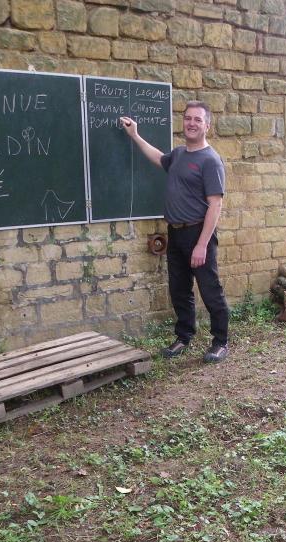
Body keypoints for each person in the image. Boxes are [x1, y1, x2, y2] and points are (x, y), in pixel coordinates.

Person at [120, 101, 229, 363]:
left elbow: (215, 205)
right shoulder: (179, 154)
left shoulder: (210, 161)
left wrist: (201, 245)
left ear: (207, 126)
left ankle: (220, 342)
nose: (191, 123)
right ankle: (184, 337)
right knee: (179, 289)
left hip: (198, 233)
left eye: (197, 120)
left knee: (210, 289)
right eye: (188, 118)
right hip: (176, 233)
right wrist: (135, 135)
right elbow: (159, 158)